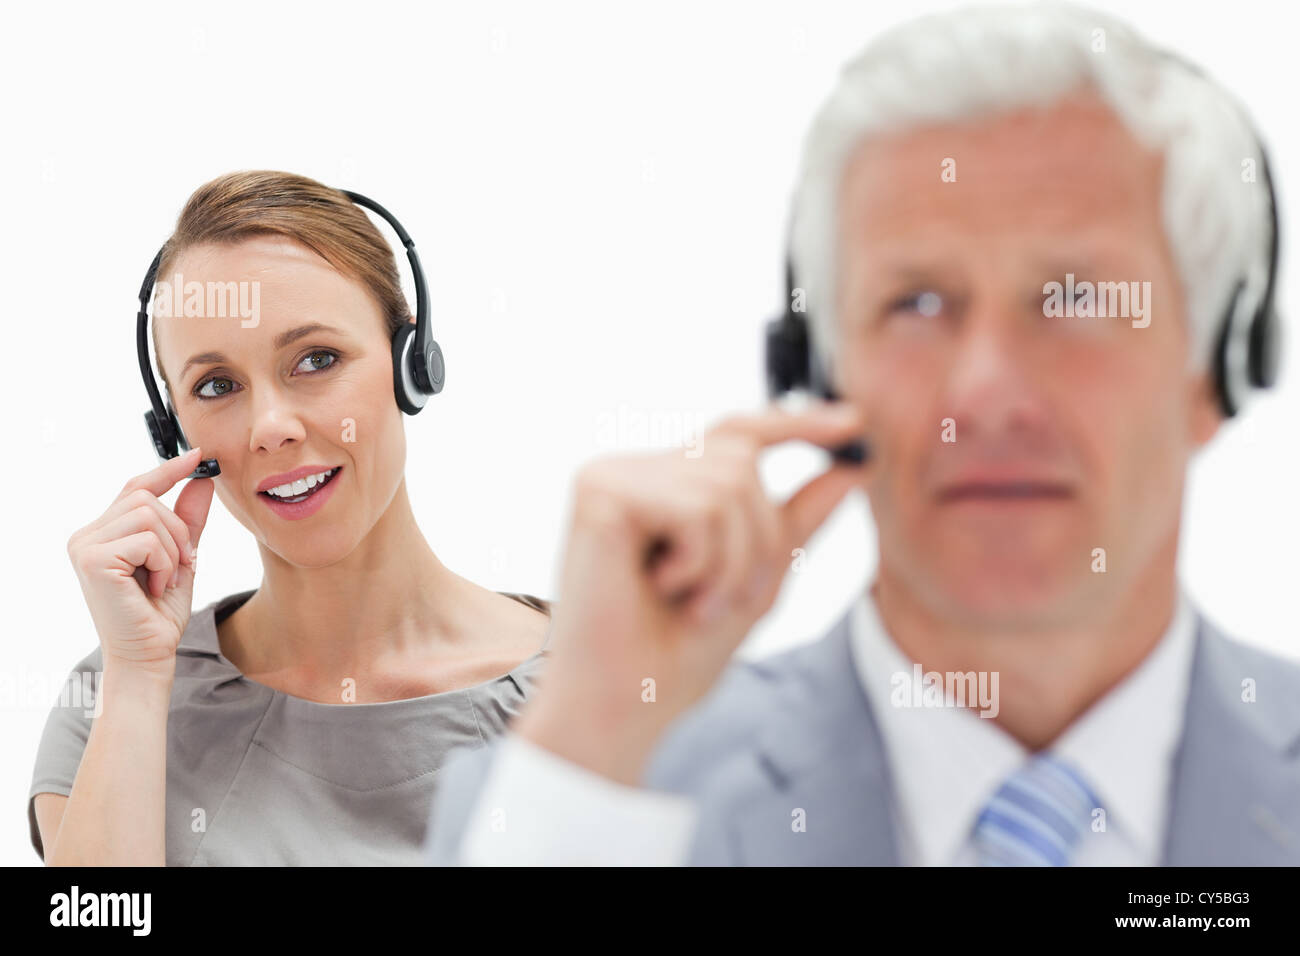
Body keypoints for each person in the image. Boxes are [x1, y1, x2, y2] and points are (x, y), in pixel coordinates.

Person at [424, 3, 1300, 865]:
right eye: (917, 303)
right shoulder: (569, 799)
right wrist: (594, 747)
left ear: (1219, 365)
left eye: (1076, 298)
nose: (986, 393)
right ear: (823, 374)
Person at [29, 170, 552, 865]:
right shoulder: (113, 700)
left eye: (316, 359)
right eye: (216, 386)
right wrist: (135, 679)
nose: (270, 427)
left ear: (412, 366)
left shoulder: (610, 681)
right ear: (175, 432)